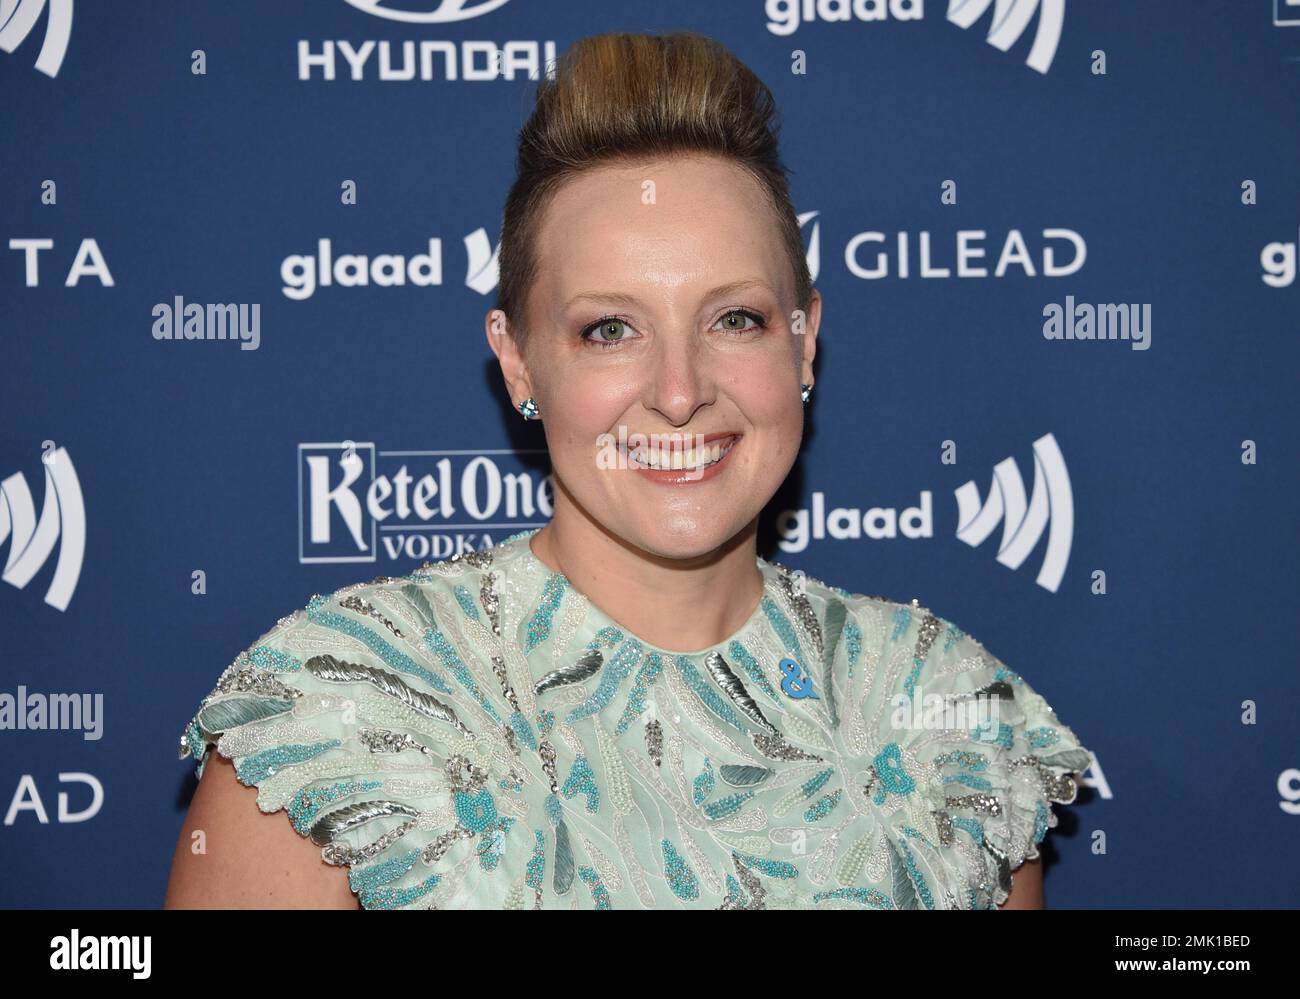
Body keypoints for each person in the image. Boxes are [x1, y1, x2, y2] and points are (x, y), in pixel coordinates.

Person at [165, 30, 1091, 910]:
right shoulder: (346, 702)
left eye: (736, 319)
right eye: (610, 329)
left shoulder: (949, 720)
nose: (680, 392)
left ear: (806, 339)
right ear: (519, 359)